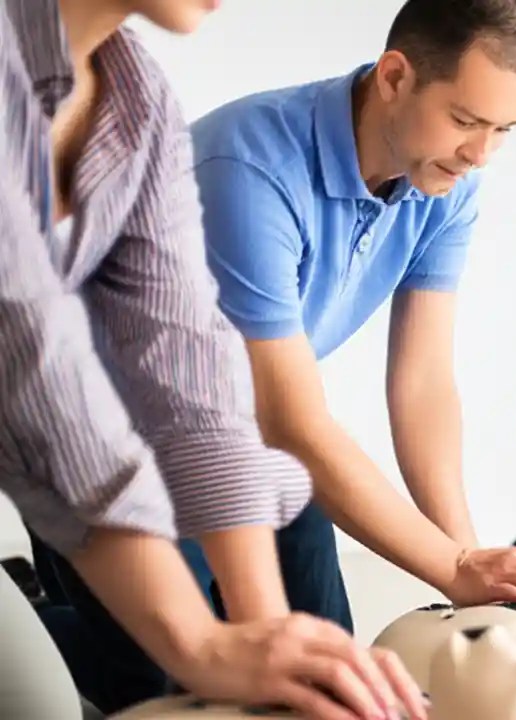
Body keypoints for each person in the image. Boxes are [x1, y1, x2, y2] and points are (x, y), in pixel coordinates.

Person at [0, 1, 423, 719]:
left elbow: (190, 370)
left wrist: (264, 637)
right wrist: (203, 644)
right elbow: (36, 362)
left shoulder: (139, 102)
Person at [190, 0, 516, 635]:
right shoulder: (250, 170)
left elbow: (422, 383)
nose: (481, 153)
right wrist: (452, 566)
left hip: (253, 441)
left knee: (327, 669)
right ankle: (36, 617)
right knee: (173, 685)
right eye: (464, 119)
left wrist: (471, 564)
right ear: (395, 77)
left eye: (505, 129)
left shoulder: (446, 182)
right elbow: (290, 419)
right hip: (118, 447)